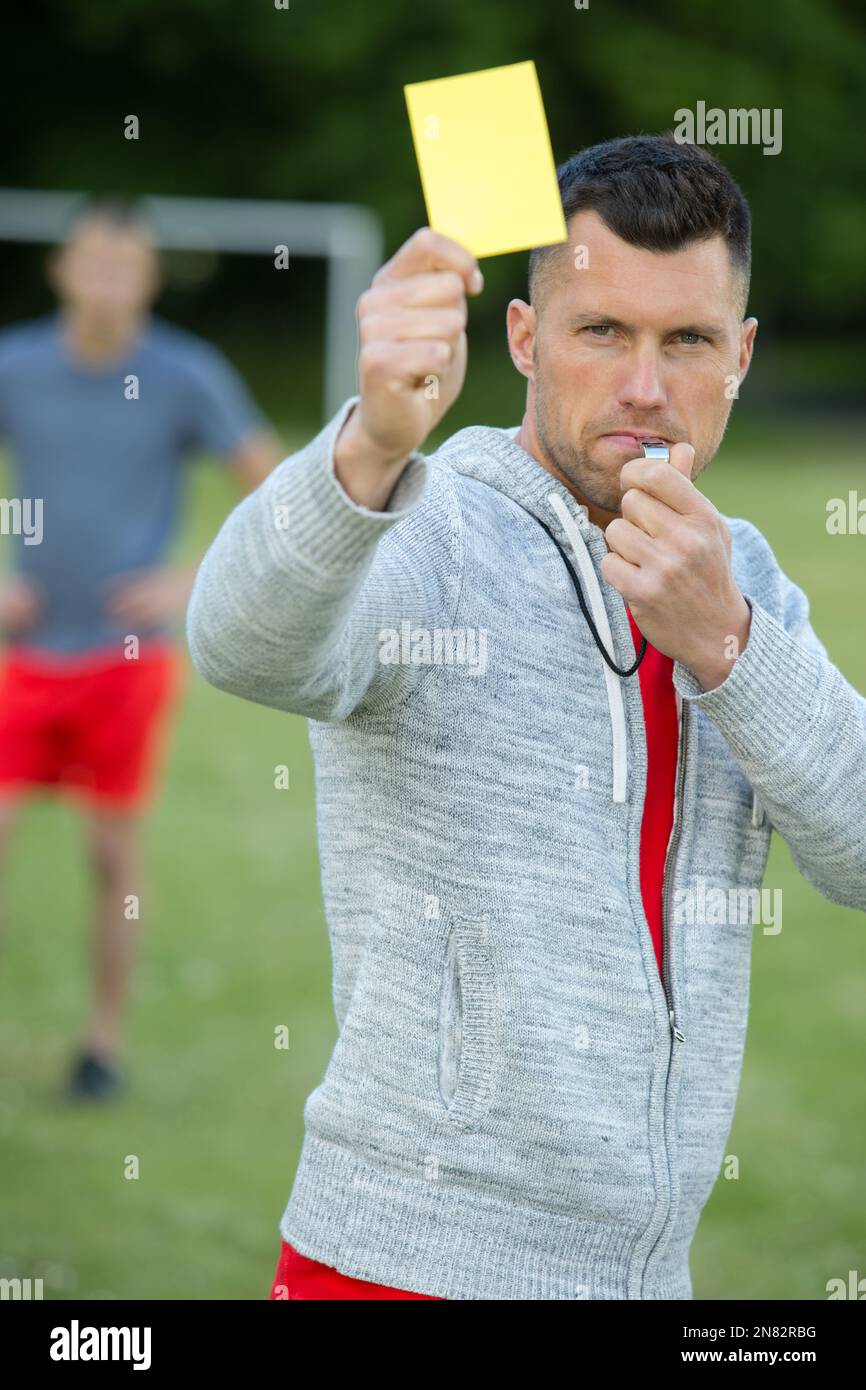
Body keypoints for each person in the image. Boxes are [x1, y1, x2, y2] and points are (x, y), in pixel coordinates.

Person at [186, 135, 866, 1301]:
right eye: (601, 331)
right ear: (521, 338)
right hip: (403, 1265)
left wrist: (725, 643)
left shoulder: (736, 571)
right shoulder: (429, 529)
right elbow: (238, 641)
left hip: (648, 1280)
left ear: (739, 355)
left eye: (686, 340)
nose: (644, 386)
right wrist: (367, 450)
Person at [0, 198, 282, 1101]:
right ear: (64, 270)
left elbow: (276, 492)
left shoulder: (182, 374)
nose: (109, 282)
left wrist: (190, 580)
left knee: (110, 857)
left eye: (129, 267)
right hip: (25, 650)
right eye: (95, 263)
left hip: (125, 656)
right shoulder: (18, 366)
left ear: (150, 279)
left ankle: (102, 1044)